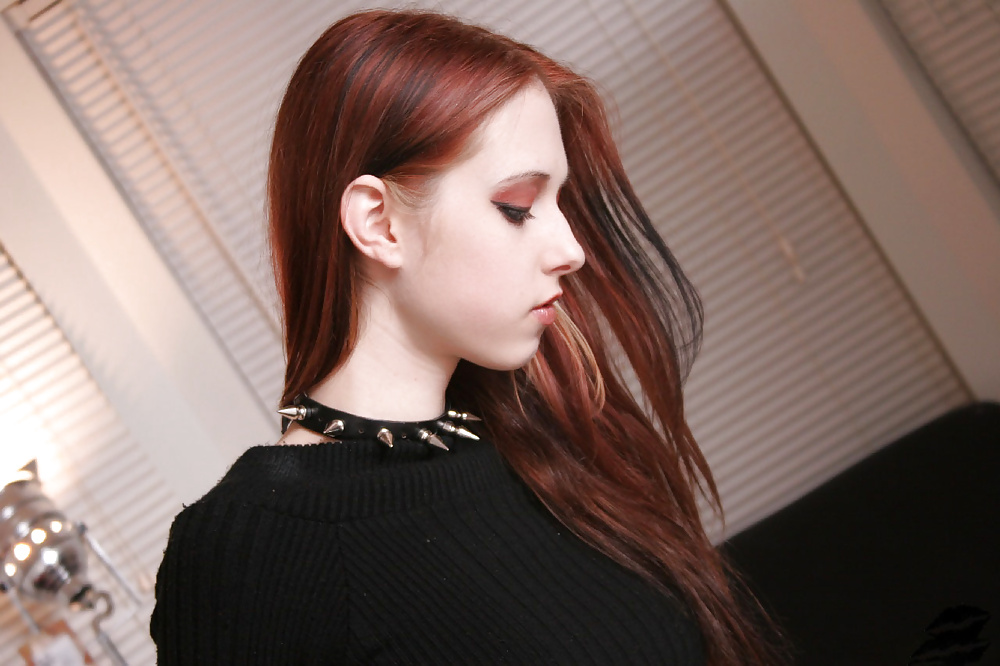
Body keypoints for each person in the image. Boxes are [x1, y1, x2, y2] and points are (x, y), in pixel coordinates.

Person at [151, 9, 783, 665]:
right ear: (380, 224)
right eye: (518, 207)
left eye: (559, 204)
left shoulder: (537, 445)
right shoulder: (249, 550)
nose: (571, 250)